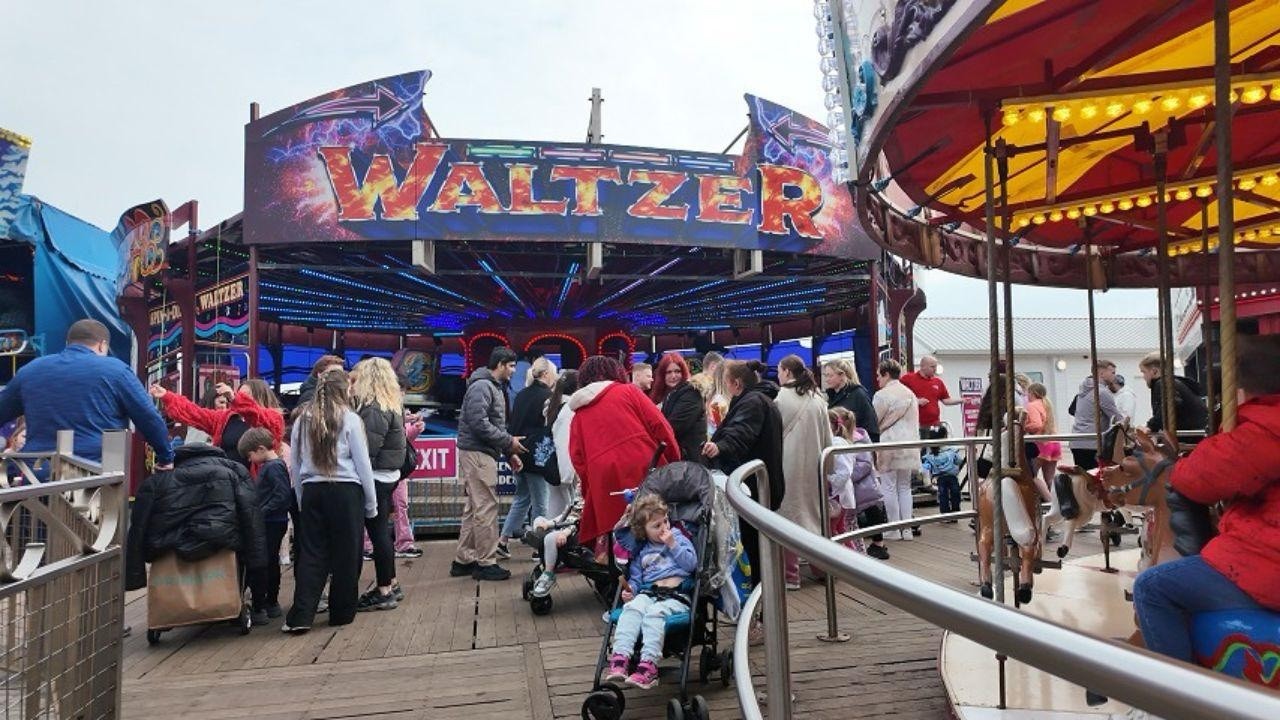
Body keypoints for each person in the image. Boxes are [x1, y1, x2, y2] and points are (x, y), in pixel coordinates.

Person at [1132, 333, 1280, 664]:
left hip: (1269, 564)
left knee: (1152, 587)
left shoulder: (1264, 429)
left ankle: (1175, 701)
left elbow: (1196, 480)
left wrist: (1177, 463)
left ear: (1241, 388)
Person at [0, 319, 174, 470]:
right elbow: (148, 417)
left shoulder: (30, 370)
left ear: (68, 343)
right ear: (102, 345)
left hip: (37, 473)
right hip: (95, 475)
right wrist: (166, 457)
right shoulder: (116, 370)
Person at [283, 368, 377, 633]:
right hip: (347, 492)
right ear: (344, 390)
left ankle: (301, 615)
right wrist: (371, 504)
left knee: (312, 554)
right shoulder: (350, 419)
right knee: (347, 554)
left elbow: (296, 463)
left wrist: (301, 500)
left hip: (313, 490)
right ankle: (342, 612)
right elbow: (363, 465)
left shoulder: (303, 420)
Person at [125, 440, 266, 593]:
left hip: (169, 556)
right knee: (226, 604)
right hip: (223, 548)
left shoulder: (155, 483)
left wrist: (134, 576)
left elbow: (137, 528)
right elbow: (251, 516)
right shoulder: (235, 472)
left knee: (173, 608)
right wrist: (257, 563)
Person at [569, 356, 680, 547]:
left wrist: (591, 489)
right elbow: (662, 428)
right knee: (657, 527)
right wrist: (674, 464)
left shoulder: (578, 414)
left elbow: (577, 459)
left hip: (604, 481)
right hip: (645, 468)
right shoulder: (628, 391)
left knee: (619, 541)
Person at [702, 360, 785, 585]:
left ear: (736, 383)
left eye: (726, 382)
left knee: (755, 547)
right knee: (759, 546)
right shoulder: (759, 400)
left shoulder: (752, 402)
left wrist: (721, 446)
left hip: (754, 488)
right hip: (759, 486)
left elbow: (742, 431)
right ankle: (763, 602)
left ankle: (761, 605)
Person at [604, 495, 699, 690]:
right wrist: (630, 592)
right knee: (632, 608)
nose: (664, 528)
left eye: (665, 521)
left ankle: (649, 665)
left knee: (655, 615)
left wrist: (673, 545)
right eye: (656, 526)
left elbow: (692, 565)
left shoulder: (678, 539)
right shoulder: (643, 552)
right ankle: (620, 658)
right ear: (643, 532)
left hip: (676, 595)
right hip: (649, 594)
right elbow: (636, 580)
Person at [452, 347, 524, 581]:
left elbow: (485, 423)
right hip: (478, 453)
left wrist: (507, 450)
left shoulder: (486, 385)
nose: (514, 371)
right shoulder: (484, 386)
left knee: (474, 507)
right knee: (486, 507)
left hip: (477, 451)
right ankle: (485, 562)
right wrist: (508, 442)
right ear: (501, 364)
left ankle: (464, 559)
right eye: (511, 366)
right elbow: (479, 423)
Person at [349, 357, 408, 611]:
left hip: (376, 476)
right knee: (381, 531)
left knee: (378, 534)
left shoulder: (373, 409)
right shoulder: (390, 404)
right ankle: (391, 582)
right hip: (389, 474)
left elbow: (367, 451)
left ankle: (384, 588)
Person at [774, 355, 833, 589]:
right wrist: (829, 467)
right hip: (814, 465)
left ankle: (791, 575)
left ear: (787, 372)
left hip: (787, 464)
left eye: (779, 370)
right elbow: (828, 438)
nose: (778, 375)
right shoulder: (818, 399)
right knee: (814, 516)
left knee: (787, 516)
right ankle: (821, 568)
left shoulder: (780, 399)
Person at [498, 357, 557, 559]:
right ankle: (539, 547)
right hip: (538, 456)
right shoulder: (548, 396)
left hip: (518, 452)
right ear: (546, 374)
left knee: (521, 499)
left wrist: (511, 452)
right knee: (542, 502)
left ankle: (503, 540)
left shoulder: (521, 395)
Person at [151, 379, 284, 468]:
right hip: (226, 482)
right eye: (239, 394)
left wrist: (234, 398)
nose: (238, 397)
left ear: (259, 397)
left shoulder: (273, 418)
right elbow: (195, 413)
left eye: (245, 395)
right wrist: (168, 397)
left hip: (257, 484)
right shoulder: (226, 418)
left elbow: (257, 416)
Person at [238, 427, 292, 625]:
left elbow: (282, 495)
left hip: (271, 522)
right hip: (271, 521)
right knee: (269, 561)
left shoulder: (273, 467)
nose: (250, 460)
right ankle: (270, 603)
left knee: (265, 562)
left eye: (250, 455)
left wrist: (260, 512)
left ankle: (268, 602)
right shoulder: (271, 467)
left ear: (260, 449)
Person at [828, 407, 891, 559]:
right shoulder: (852, 440)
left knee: (845, 527)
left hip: (854, 491)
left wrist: (832, 481)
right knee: (846, 526)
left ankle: (854, 557)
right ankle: (857, 555)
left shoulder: (852, 442)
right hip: (852, 491)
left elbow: (862, 465)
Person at [872, 359, 920, 540]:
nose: (877, 380)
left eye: (879, 376)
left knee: (889, 486)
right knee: (904, 487)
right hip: (909, 444)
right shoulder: (910, 394)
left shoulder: (882, 395)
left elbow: (874, 420)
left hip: (889, 444)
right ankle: (907, 530)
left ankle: (893, 529)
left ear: (886, 374)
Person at [651, 353, 706, 462]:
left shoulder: (691, 393)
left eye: (677, 371)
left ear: (684, 372)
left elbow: (674, 427)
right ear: (662, 375)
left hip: (689, 461)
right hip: (678, 459)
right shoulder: (666, 395)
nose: (673, 376)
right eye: (669, 372)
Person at [1068, 359, 1123, 470]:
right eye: (1112, 373)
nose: (1115, 376)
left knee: (1084, 479)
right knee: (1097, 479)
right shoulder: (1101, 392)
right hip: (1092, 443)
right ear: (1102, 374)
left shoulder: (1083, 390)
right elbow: (1117, 418)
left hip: (1078, 441)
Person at [1138, 352, 1209, 437]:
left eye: (1144, 372)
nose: (1144, 377)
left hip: (1191, 437)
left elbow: (1171, 404)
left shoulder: (1162, 383)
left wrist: (1150, 426)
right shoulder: (1175, 383)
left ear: (1154, 371)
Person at [900, 356, 961, 452]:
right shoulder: (908, 379)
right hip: (917, 426)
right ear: (923, 366)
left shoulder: (938, 382)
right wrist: (916, 401)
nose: (935, 369)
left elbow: (946, 400)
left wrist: (962, 400)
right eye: (932, 367)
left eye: (935, 366)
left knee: (938, 452)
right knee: (921, 453)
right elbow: (899, 397)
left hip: (935, 425)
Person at [546, 369, 580, 519]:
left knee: (554, 509)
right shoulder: (569, 411)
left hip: (554, 466)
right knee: (566, 512)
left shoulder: (554, 405)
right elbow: (564, 442)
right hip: (565, 470)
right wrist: (567, 475)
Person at [822, 358, 880, 441]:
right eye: (826, 375)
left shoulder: (859, 394)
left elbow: (871, 424)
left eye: (830, 375)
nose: (827, 379)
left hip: (855, 445)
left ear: (842, 375)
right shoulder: (831, 396)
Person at [1023, 382, 1060, 507]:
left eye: (1028, 393)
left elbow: (1036, 424)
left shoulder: (1031, 406)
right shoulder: (1047, 404)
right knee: (1049, 479)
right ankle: (1059, 502)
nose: (1026, 395)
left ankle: (1049, 503)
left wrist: (1022, 426)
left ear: (1032, 393)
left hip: (1041, 444)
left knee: (1032, 476)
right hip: (1054, 443)